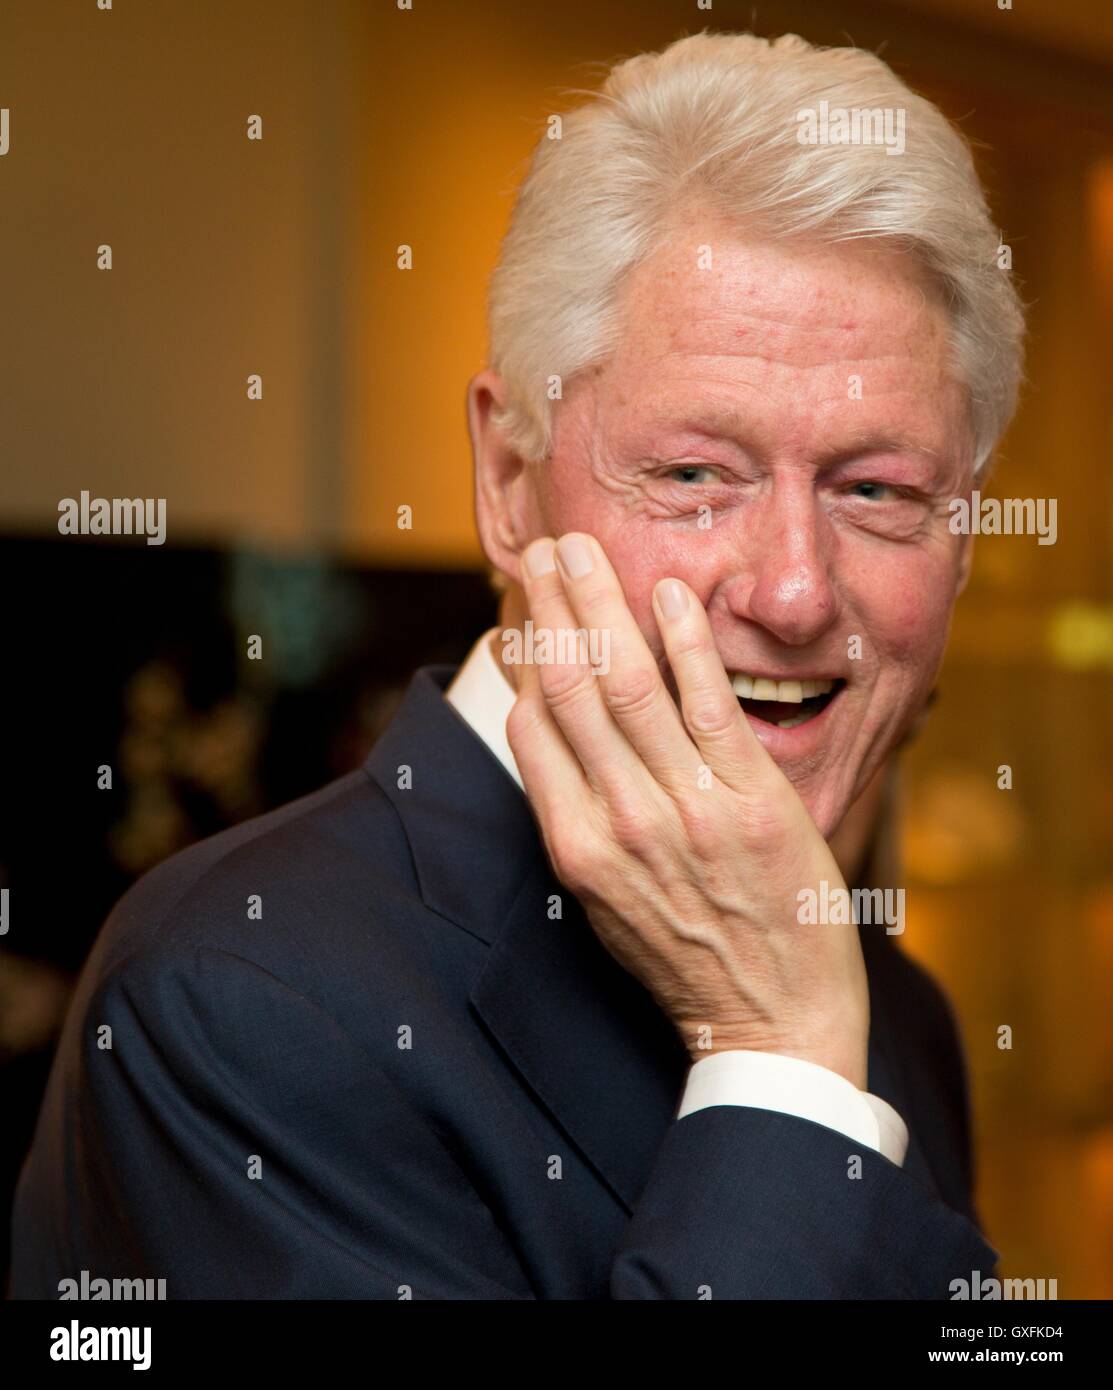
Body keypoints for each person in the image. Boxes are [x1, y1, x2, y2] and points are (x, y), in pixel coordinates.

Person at [10, 30, 1024, 1299]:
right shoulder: (233, 1002)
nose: (794, 590)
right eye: (695, 474)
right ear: (507, 480)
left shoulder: (895, 1010)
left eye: (878, 489)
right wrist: (781, 1065)